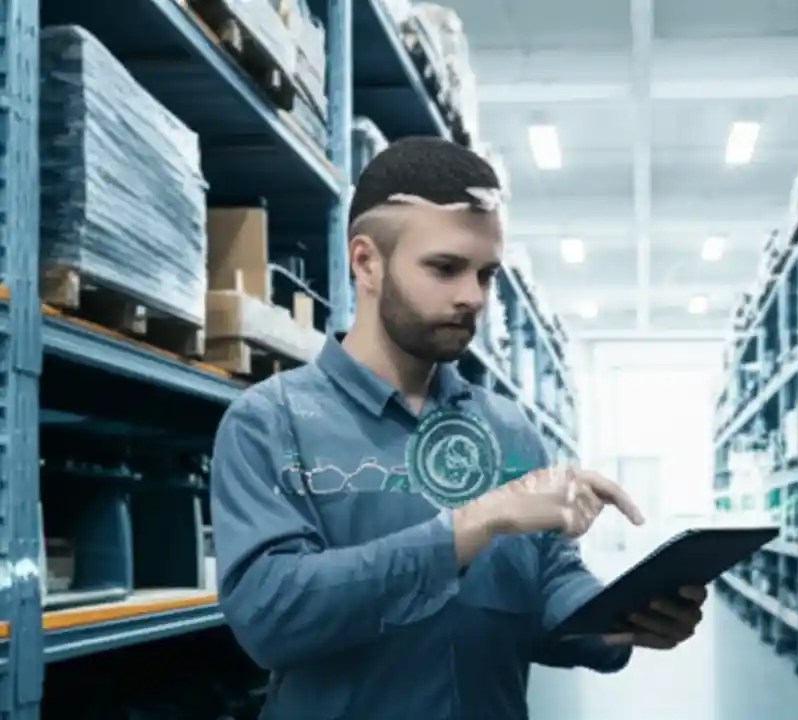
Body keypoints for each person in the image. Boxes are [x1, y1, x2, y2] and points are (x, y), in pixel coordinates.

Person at [210, 136, 709, 719]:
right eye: (445, 269)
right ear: (366, 262)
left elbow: (546, 581)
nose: (472, 297)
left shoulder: (507, 429)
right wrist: (473, 525)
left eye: (487, 275)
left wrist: (614, 624)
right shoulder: (271, 422)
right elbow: (271, 616)